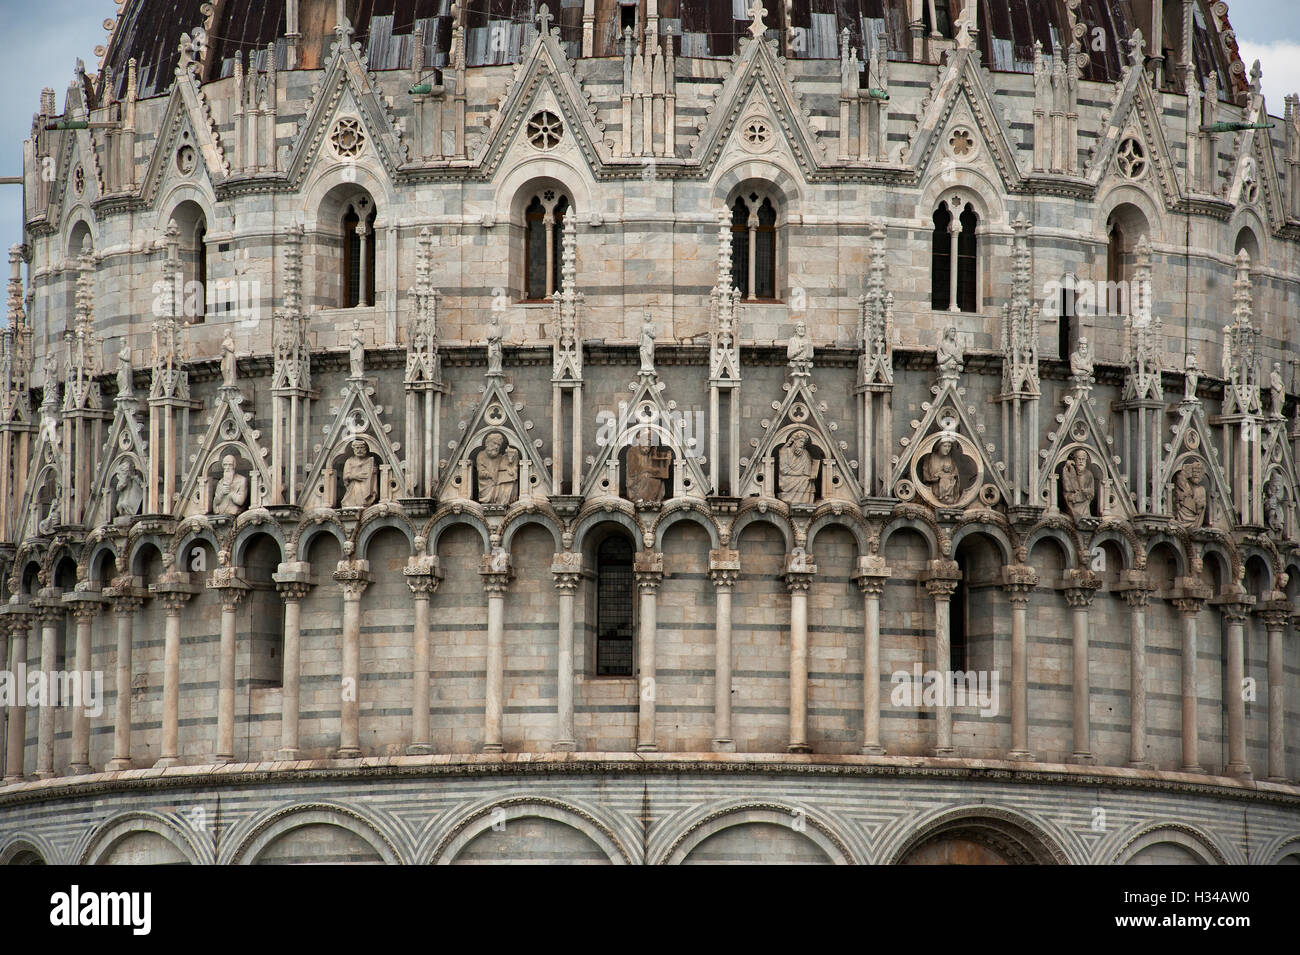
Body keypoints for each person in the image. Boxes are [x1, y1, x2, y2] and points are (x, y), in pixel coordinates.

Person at [476, 431, 520, 505]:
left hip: (497, 486)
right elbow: (480, 473)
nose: (496, 447)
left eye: (499, 445)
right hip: (487, 488)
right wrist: (491, 475)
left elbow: (506, 466)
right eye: (494, 443)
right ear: (487, 443)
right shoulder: (481, 456)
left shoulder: (500, 457)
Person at [625, 429, 669, 502]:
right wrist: (647, 470)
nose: (649, 443)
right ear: (639, 440)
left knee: (659, 479)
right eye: (646, 440)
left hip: (648, 474)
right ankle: (639, 499)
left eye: (650, 441)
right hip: (635, 479)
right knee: (646, 477)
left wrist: (666, 460)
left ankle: (654, 500)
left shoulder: (652, 450)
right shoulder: (632, 451)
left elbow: (657, 465)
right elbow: (632, 470)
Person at [777, 430, 819, 505]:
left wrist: (813, 474)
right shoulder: (784, 451)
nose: (802, 445)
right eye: (801, 441)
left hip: (801, 479)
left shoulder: (805, 453)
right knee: (804, 480)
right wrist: (796, 473)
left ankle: (805, 501)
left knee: (807, 480)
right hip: (787, 479)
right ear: (794, 441)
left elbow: (807, 471)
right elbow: (783, 469)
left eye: (803, 443)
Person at [922, 437, 962, 505]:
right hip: (933, 491)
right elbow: (925, 473)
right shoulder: (930, 457)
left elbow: (955, 475)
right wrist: (934, 478)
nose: (947, 449)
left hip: (948, 492)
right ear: (939, 446)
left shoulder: (950, 459)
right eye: (945, 446)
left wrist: (951, 477)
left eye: (949, 446)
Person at [341, 438, 377, 508]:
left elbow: (373, 477)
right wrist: (354, 476)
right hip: (353, 487)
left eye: (361, 447)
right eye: (357, 448)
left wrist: (374, 472)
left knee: (364, 500)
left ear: (365, 449)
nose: (359, 450)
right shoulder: (349, 461)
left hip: (365, 487)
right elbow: (345, 476)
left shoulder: (370, 461)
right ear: (354, 449)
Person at [1061, 448, 1096, 519]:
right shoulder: (1070, 471)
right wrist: (1068, 467)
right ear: (1074, 460)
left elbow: (1091, 492)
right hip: (1072, 501)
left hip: (1084, 503)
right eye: (1079, 459)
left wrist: (1085, 491)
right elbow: (1067, 488)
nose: (1081, 461)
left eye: (1083, 459)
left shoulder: (1088, 474)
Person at [1173, 459, 1208, 528]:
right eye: (1194, 472)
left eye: (1199, 472)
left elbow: (1200, 508)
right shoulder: (1184, 484)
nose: (1196, 474)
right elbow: (1180, 476)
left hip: (1195, 521)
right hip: (1181, 517)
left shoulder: (1201, 489)